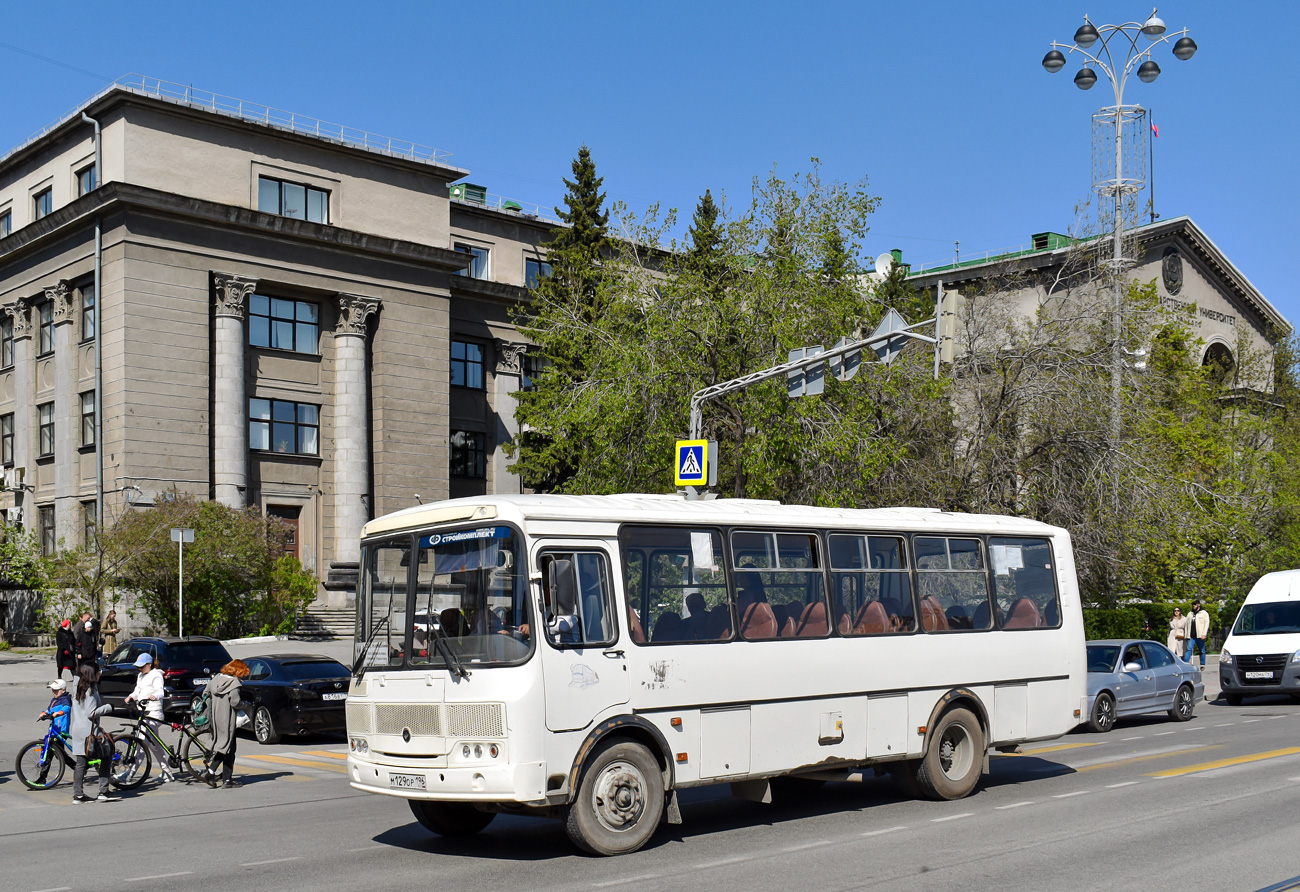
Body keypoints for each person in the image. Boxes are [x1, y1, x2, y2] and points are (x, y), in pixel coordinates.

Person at [69, 663, 119, 803]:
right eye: (99, 672)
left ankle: (78, 795)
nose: (100, 675)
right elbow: (91, 713)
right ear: (93, 674)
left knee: (80, 763)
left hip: (78, 729)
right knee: (107, 756)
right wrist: (108, 708)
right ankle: (103, 791)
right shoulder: (90, 691)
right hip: (89, 732)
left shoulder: (77, 687)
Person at [124, 652, 175, 783]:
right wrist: (131, 697)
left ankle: (129, 774)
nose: (139, 669)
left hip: (154, 713)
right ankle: (167, 772)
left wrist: (154, 696)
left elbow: (160, 691)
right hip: (143, 712)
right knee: (154, 744)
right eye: (138, 667)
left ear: (149, 664)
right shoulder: (141, 675)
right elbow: (137, 691)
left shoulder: (156, 675)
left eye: (141, 666)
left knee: (141, 743)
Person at [204, 659, 251, 789]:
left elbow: (206, 693)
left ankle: (220, 775)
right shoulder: (234, 683)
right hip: (228, 719)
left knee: (225, 748)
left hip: (216, 718)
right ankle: (219, 776)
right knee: (228, 748)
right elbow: (235, 702)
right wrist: (245, 704)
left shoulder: (216, 679)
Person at [1186, 599, 1210, 669]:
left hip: (1200, 635)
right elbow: (1186, 624)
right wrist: (1186, 635)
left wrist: (1204, 634)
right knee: (1189, 649)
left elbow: (1206, 624)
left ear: (1198, 605)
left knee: (1202, 650)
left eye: (1195, 605)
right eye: (1193, 605)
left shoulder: (1204, 613)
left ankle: (1202, 665)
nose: (1193, 606)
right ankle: (1185, 664)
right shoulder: (1190, 614)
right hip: (1191, 636)